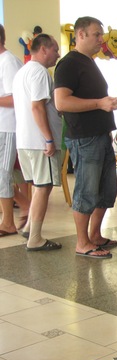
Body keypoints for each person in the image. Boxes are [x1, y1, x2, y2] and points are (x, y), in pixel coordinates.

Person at [54, 16, 117, 258]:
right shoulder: (69, 64)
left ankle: (95, 235)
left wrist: (111, 103)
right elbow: (61, 102)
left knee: (107, 190)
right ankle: (82, 242)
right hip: (84, 137)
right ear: (80, 35)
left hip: (100, 134)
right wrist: (100, 103)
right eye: (96, 34)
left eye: (101, 35)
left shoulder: (89, 62)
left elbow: (94, 100)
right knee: (87, 191)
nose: (101, 39)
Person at [13, 33, 63, 251]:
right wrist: (49, 138)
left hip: (25, 140)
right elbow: (37, 107)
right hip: (39, 141)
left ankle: (29, 229)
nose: (57, 55)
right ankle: (35, 238)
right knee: (43, 187)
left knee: (38, 186)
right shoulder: (40, 72)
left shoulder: (22, 72)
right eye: (55, 50)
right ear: (43, 49)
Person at [0, 24, 31, 237]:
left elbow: (15, 99)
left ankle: (8, 222)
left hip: (7, 127)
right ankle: (26, 204)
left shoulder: (8, 62)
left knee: (2, 175)